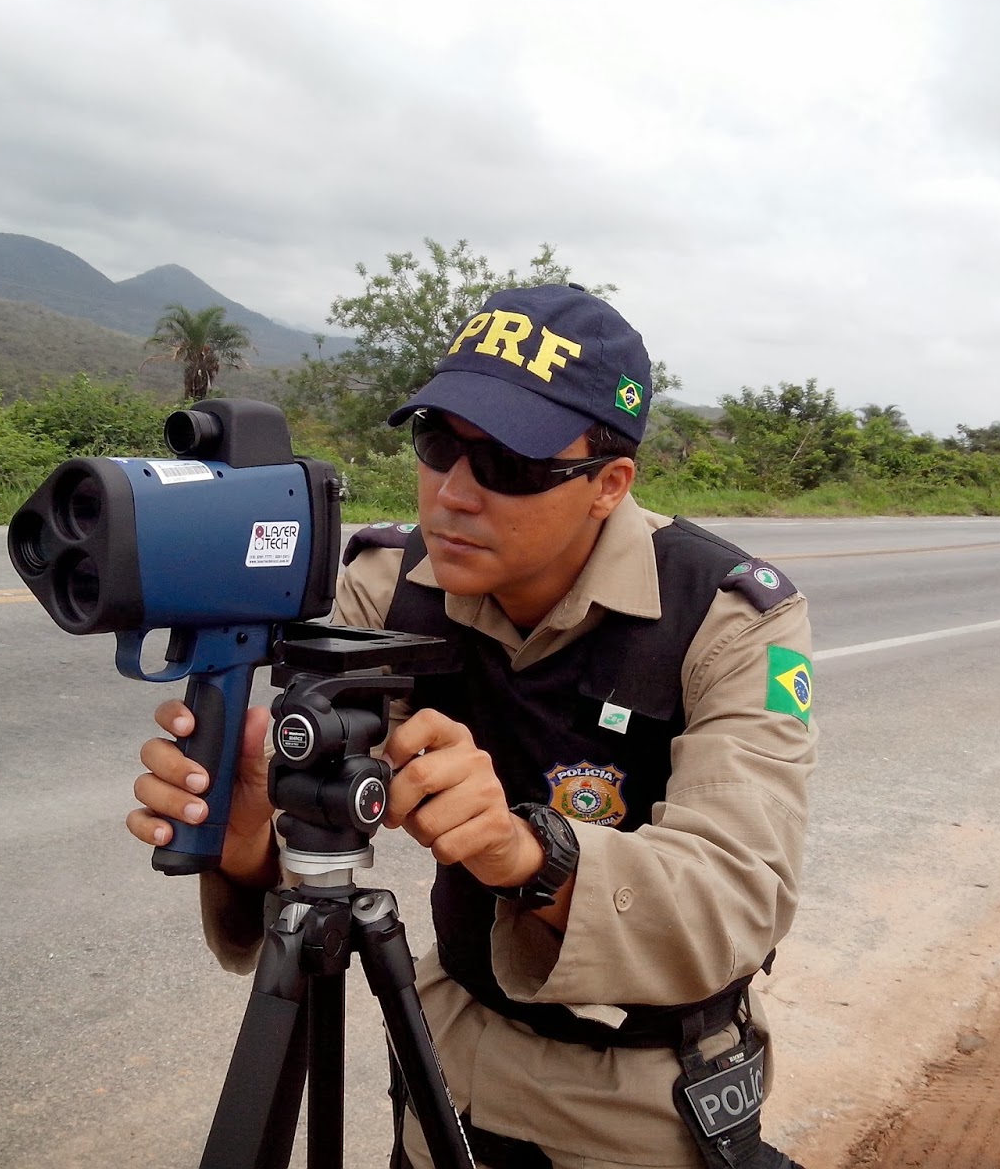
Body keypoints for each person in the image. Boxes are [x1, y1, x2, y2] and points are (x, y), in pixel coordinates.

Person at [127, 283, 816, 1169]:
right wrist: (253, 823)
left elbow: (739, 896)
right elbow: (300, 841)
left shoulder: (728, 618)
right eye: (437, 443)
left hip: (641, 1093)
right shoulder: (389, 583)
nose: (453, 493)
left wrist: (529, 853)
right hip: (447, 1048)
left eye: (511, 466)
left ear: (608, 485)